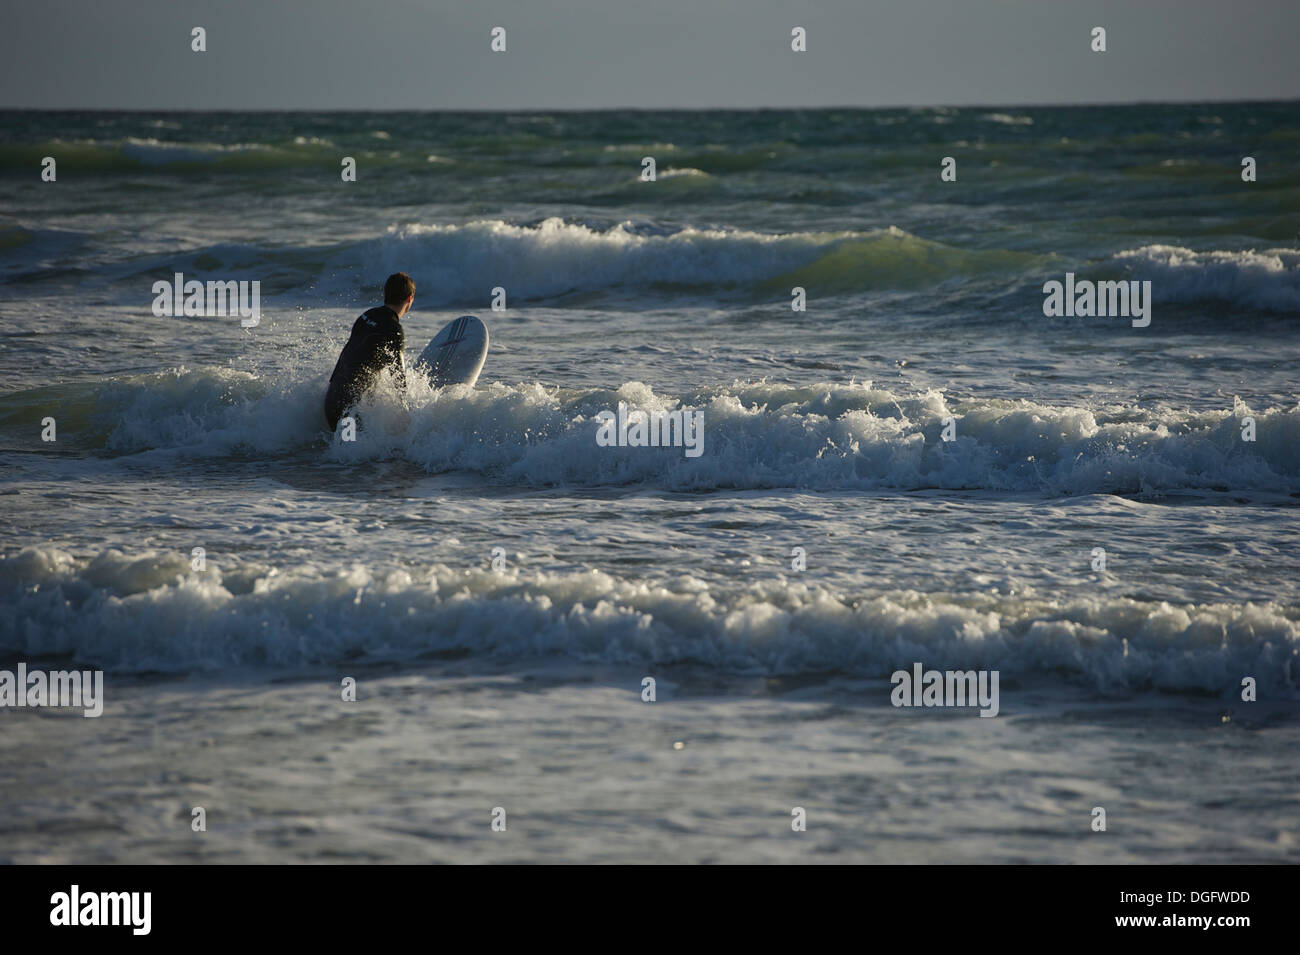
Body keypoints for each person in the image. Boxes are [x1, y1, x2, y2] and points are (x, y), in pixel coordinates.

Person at [324, 272, 415, 431]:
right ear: (409, 298)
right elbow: (399, 378)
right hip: (347, 414)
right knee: (351, 453)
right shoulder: (394, 330)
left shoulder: (367, 315)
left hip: (331, 401)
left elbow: (359, 360)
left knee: (346, 451)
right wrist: (409, 413)